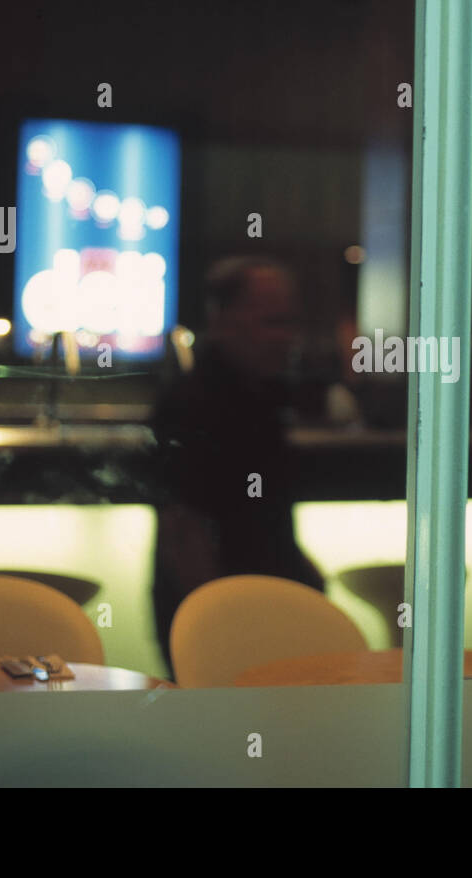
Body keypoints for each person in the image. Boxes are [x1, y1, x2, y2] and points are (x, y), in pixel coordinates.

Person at [150, 256, 325, 674]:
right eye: (273, 322)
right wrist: (220, 628)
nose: (287, 337)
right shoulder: (195, 403)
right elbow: (184, 532)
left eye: (290, 322)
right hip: (228, 622)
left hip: (253, 613)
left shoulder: (258, 394)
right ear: (223, 320)